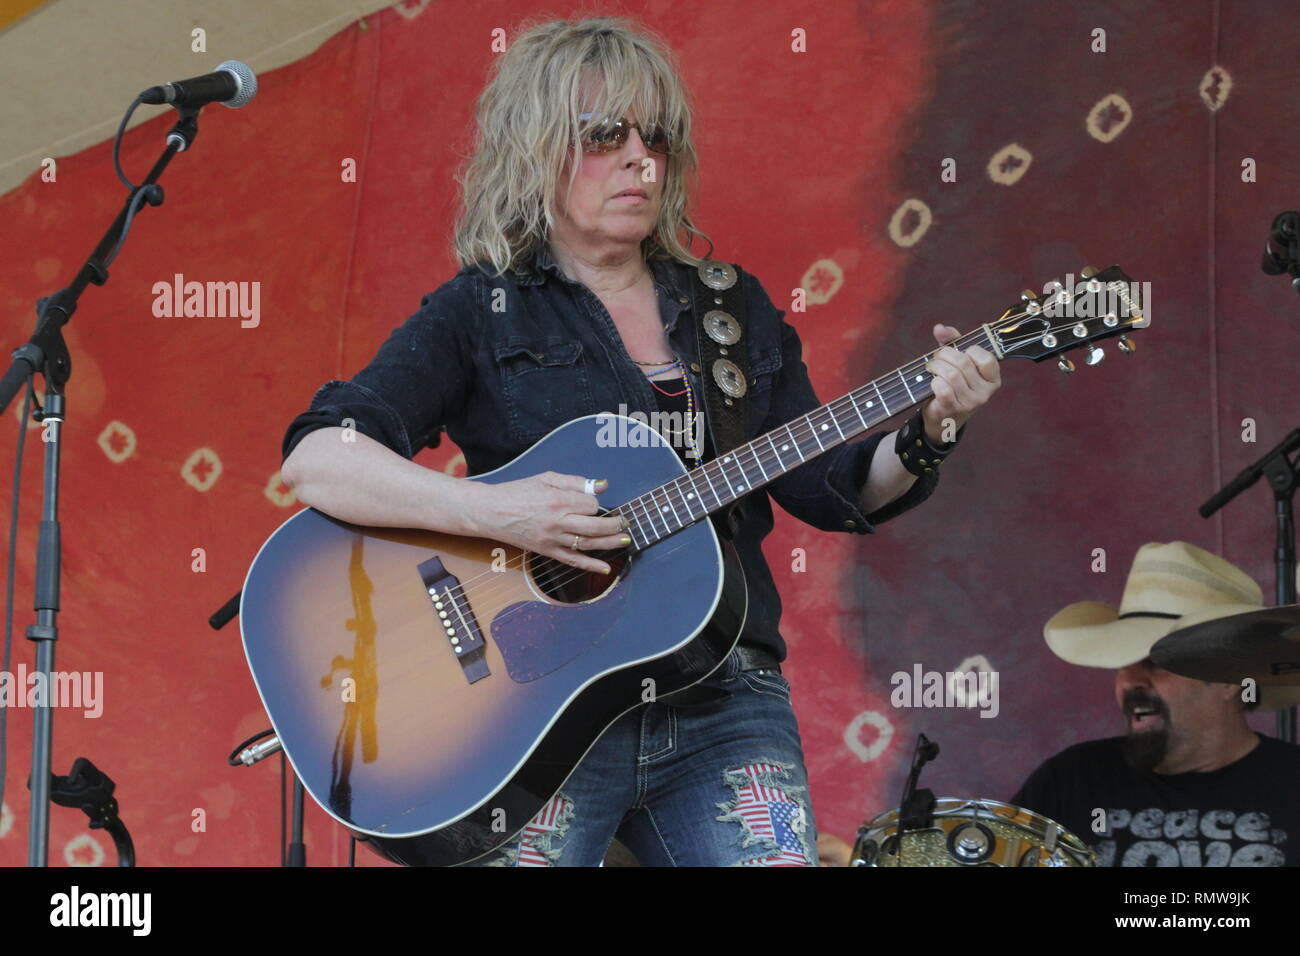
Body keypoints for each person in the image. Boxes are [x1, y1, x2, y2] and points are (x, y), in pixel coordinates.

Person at [280, 16, 1000, 866]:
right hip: (535, 707)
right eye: (603, 135)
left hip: (725, 695)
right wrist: (493, 511)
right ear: (535, 149)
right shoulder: (480, 308)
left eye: (656, 137)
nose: (640, 158)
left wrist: (931, 427)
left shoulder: (733, 310)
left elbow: (831, 487)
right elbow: (320, 456)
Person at [1011, 541, 1300, 867]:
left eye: (1155, 662)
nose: (1130, 682)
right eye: (1122, 662)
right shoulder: (1070, 781)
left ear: (1228, 679)